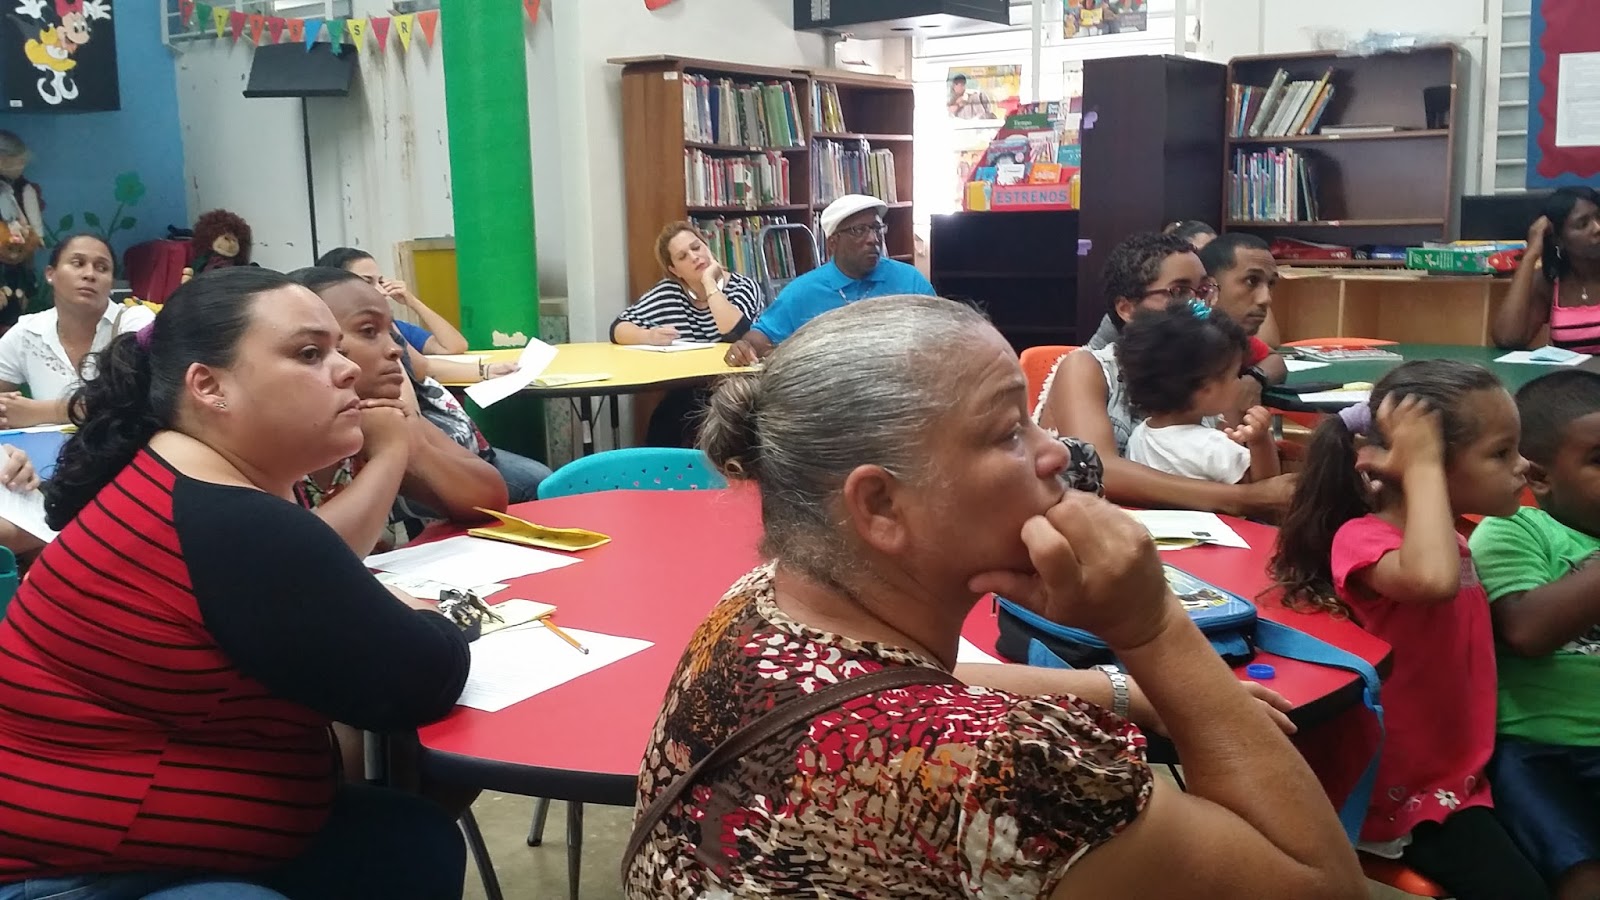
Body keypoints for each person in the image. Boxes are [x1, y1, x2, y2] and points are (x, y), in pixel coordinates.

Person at [627, 294, 1367, 899]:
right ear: (880, 505)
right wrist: (1153, 633)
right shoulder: (1000, 770)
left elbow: (898, 689)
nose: (1059, 454)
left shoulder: (755, 605)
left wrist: (1116, 690)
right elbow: (1322, 884)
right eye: (1010, 430)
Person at [0, 267, 471, 900]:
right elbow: (421, 679)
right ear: (209, 387)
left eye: (338, 347)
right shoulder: (227, 520)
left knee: (411, 841)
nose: (349, 369)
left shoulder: (178, 476)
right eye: (309, 353)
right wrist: (440, 618)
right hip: (69, 868)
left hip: (107, 837)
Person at [1269, 360, 1547, 900]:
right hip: (1405, 795)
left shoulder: (1450, 535)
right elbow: (1432, 580)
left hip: (1462, 773)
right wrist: (1418, 465)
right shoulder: (1366, 539)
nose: (1523, 466)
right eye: (1500, 453)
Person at [1038, 232, 1296, 518]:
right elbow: (1101, 469)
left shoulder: (1209, 372)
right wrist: (1243, 498)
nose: (1198, 305)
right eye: (1179, 292)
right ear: (1127, 308)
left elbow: (1242, 464)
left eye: (1204, 290)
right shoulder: (1086, 367)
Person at [1469, 370, 1600, 899]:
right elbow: (1526, 630)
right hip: (1536, 752)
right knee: (1582, 878)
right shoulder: (1515, 528)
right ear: (1540, 477)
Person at [288, 266, 510, 548]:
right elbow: (303, 556)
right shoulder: (275, 438)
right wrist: (390, 453)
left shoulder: (376, 417)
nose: (397, 350)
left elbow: (489, 501)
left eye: (391, 333)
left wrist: (412, 446)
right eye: (369, 331)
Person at [723, 194, 935, 365]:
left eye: (877, 228)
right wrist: (745, 347)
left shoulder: (910, 281)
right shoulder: (804, 291)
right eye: (859, 230)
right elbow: (762, 337)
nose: (873, 239)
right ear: (833, 243)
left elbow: (941, 334)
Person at [615, 221, 767, 446]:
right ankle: (661, 476)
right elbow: (618, 327)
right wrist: (648, 336)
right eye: (683, 256)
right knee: (669, 414)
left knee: (717, 415)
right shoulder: (669, 292)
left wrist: (710, 285)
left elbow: (738, 334)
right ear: (674, 270)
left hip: (738, 386)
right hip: (690, 390)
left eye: (696, 247)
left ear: (707, 246)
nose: (694, 257)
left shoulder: (743, 286)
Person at [0, 233, 154, 428]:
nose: (90, 274)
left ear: (112, 283)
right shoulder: (28, 331)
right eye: (78, 263)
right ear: (50, 274)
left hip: (125, 453)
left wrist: (37, 412)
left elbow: (133, 400)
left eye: (102, 268)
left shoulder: (135, 322)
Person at [1120, 301, 1279, 485]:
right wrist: (1261, 441)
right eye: (1235, 374)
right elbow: (1266, 490)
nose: (1240, 381)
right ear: (1205, 390)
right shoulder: (1214, 447)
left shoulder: (1139, 436)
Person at [1494, 186, 1600, 354]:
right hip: (1573, 379)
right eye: (1583, 224)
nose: (1597, 228)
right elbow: (1508, 339)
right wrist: (1531, 255)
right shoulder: (1550, 282)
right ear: (1559, 239)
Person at [318, 246, 470, 355]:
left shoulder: (394, 328)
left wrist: (412, 301)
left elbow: (455, 346)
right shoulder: (330, 338)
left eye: (381, 282)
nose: (382, 291)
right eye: (367, 281)